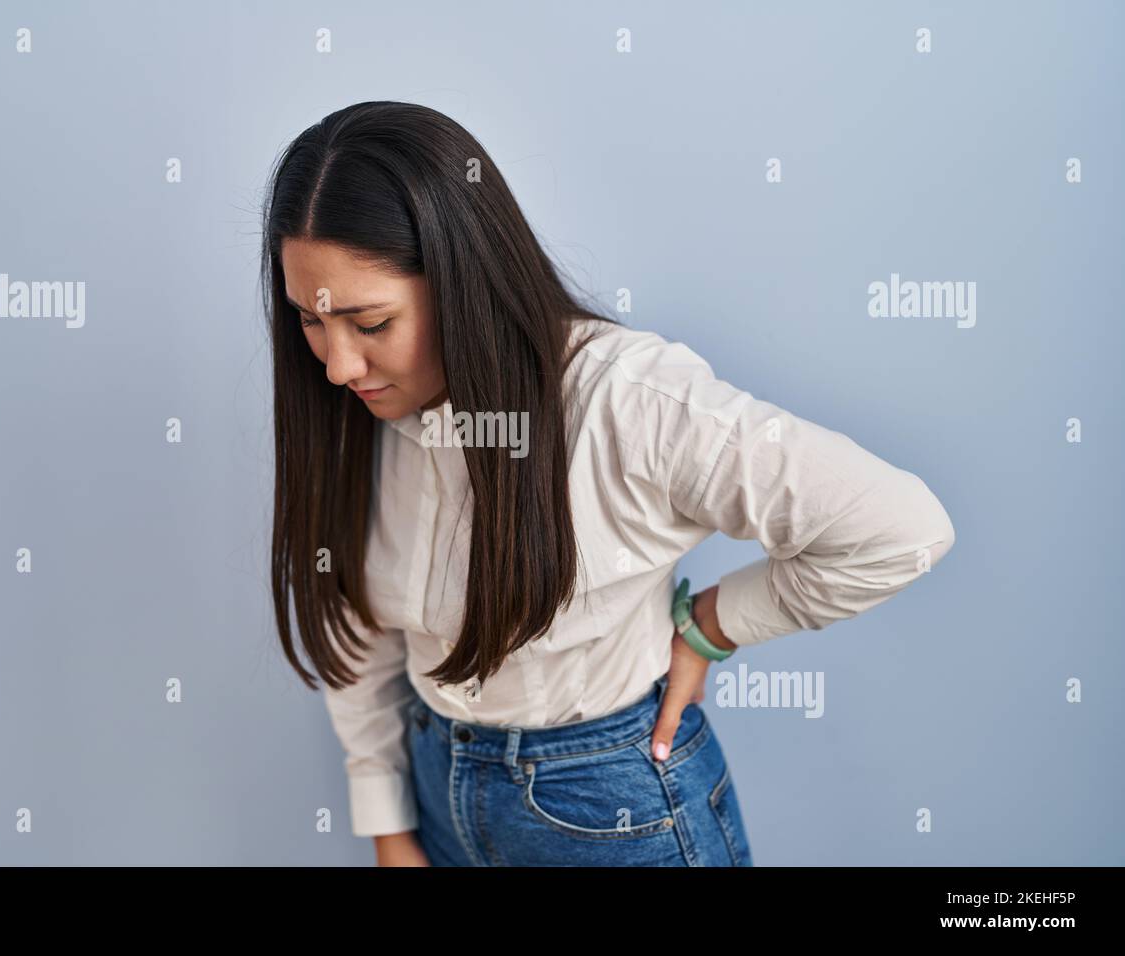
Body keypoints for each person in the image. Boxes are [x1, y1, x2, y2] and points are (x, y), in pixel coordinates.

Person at [263, 101, 956, 866]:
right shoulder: (354, 409)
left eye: (369, 324)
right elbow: (361, 637)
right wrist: (390, 827)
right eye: (309, 320)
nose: (336, 366)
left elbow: (902, 528)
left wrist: (712, 625)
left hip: (610, 810)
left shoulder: (625, 401)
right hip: (438, 793)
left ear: (463, 281)